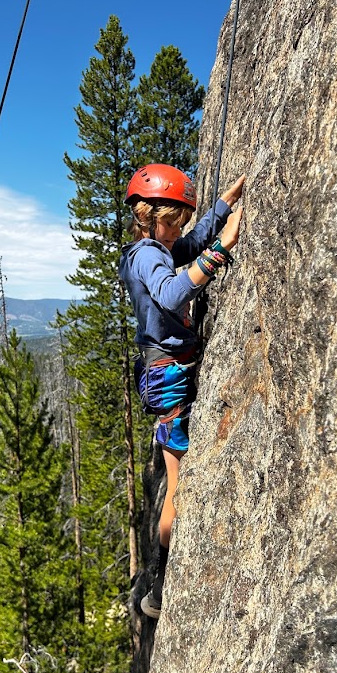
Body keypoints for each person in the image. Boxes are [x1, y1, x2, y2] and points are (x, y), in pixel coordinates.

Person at [119, 164, 246, 618]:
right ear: (150, 217)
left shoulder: (153, 248)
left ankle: (157, 583)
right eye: (173, 222)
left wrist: (224, 204)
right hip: (167, 376)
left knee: (180, 479)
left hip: (166, 371)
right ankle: (158, 586)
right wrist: (221, 250)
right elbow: (173, 294)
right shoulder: (147, 256)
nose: (178, 231)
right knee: (177, 485)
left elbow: (189, 246)